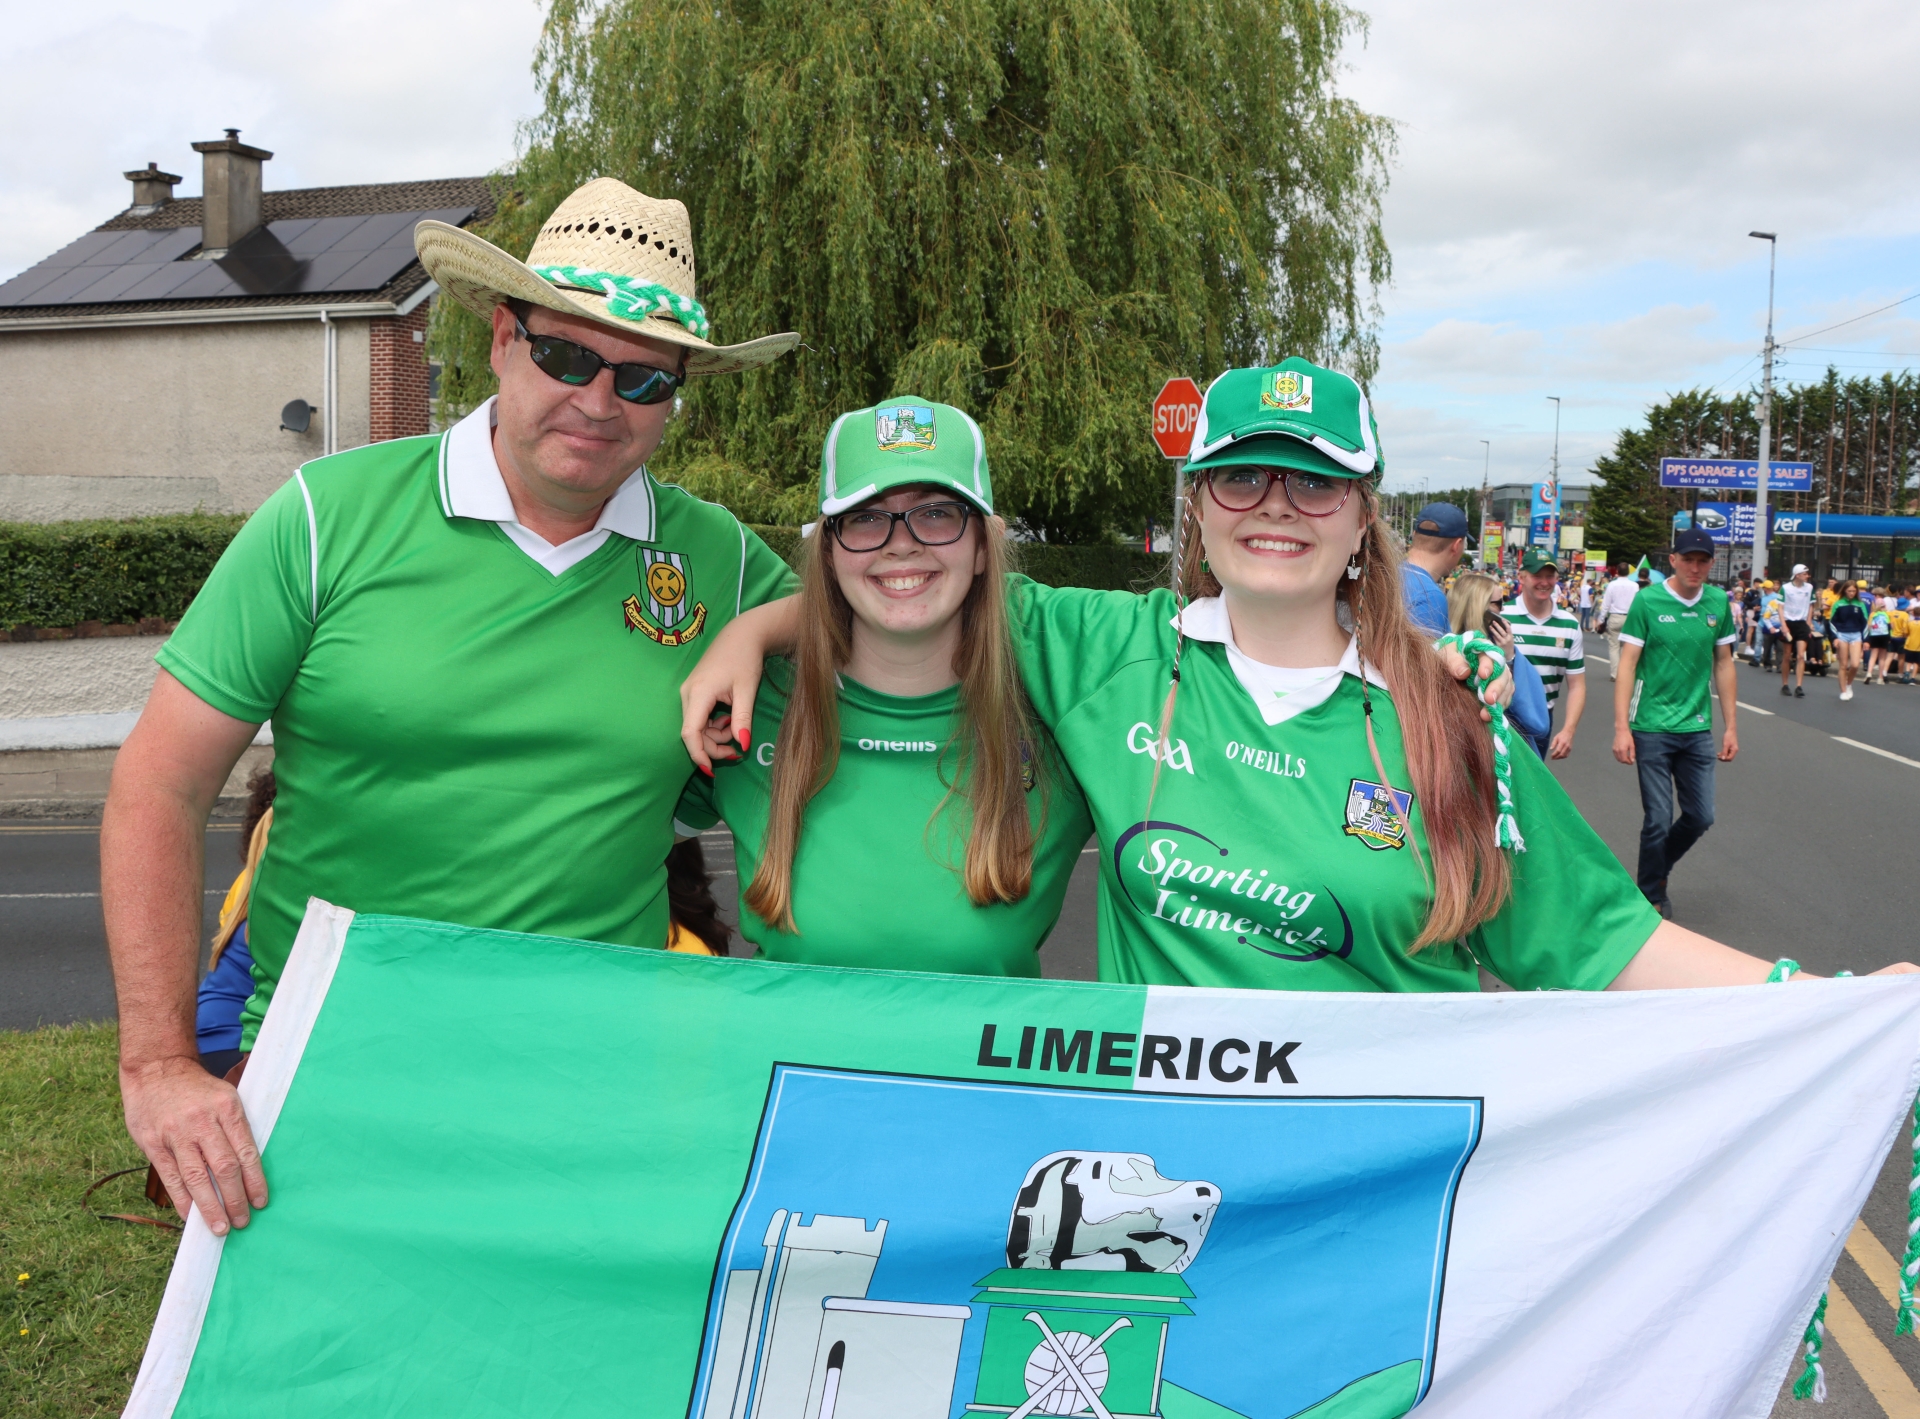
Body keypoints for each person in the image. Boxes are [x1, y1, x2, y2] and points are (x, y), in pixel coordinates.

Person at [688, 359, 1911, 997]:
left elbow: (1600, 944)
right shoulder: (1110, 653)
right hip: (1168, 1189)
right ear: (1198, 505)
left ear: (1363, 512)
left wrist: (1828, 1003)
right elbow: (911, 584)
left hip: (1379, 1190)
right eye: (1242, 476)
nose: (1275, 507)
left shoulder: (1445, 714)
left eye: (1315, 481)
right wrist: (752, 633)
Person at [100, 177, 803, 1236]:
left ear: (676, 392)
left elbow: (894, 620)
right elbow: (161, 783)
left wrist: (766, 626)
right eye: (566, 356)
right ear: (501, 340)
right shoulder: (327, 518)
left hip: (594, 1092)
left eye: (643, 377)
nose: (599, 402)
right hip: (327, 1077)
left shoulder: (720, 561)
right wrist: (158, 1065)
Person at [683, 398, 1093, 974]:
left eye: (937, 513)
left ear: (983, 547)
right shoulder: (751, 704)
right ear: (829, 550)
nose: (901, 542)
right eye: (866, 518)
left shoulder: (1059, 717)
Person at [1612, 528, 1737, 919]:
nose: (1695, 568)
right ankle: (1650, 894)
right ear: (1673, 560)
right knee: (1658, 820)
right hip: (1651, 726)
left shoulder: (1718, 601)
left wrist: (1731, 726)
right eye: (1688, 559)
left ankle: (1655, 869)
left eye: (1703, 561)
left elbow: (1724, 663)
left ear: (1712, 563)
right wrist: (1621, 727)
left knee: (1701, 816)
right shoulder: (1647, 601)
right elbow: (1627, 664)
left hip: (1697, 728)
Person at [1446, 572, 1551, 757]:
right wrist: (1509, 659)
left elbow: (1539, 724)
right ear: (1478, 608)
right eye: (1498, 603)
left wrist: (1510, 656)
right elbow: (1538, 722)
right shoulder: (1450, 654)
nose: (1502, 610)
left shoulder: (1441, 647)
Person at [1505, 549, 1587, 759]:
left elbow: (1577, 685)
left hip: (1541, 718)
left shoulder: (1569, 625)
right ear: (1522, 577)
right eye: (1537, 576)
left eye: (1549, 576)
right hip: (1503, 715)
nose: (1544, 582)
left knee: (1534, 779)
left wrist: (1568, 730)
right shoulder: (1503, 616)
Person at [1401, 502, 1468, 637]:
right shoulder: (1429, 597)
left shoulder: (1389, 573)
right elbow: (1422, 652)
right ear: (1456, 546)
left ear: (1414, 534)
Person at [1598, 561, 1640, 680]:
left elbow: (1606, 604)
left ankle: (1614, 674)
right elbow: (1637, 604)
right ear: (1628, 572)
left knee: (1614, 646)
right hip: (1629, 618)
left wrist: (1601, 619)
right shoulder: (1635, 586)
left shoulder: (1612, 585)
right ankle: (1624, 673)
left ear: (1617, 571)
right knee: (1625, 647)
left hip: (1615, 617)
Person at [1779, 564, 1814, 698]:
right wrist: (1783, 625)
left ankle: (1799, 686)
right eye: (1805, 574)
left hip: (1802, 623)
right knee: (1787, 655)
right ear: (1797, 575)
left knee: (1800, 656)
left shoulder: (1809, 587)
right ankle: (1785, 684)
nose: (1807, 576)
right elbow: (1780, 607)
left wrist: (1808, 622)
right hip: (1788, 622)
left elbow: (1811, 605)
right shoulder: (1785, 588)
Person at [1830, 581, 1869, 699]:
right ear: (1844, 591)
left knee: (1855, 664)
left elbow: (1865, 623)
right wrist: (1834, 637)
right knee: (1843, 665)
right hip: (1842, 634)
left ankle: (1849, 684)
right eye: (1849, 591)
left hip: (1856, 635)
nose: (1851, 593)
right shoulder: (1838, 604)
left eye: (1854, 591)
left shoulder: (1860, 604)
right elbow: (1832, 622)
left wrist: (1866, 640)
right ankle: (1843, 691)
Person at [1867, 591, 1895, 685]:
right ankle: (1880, 678)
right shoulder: (1888, 614)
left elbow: (1869, 626)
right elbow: (1892, 626)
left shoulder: (1872, 614)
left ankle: (1869, 673)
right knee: (1882, 657)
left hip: (1874, 635)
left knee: (1873, 656)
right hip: (1884, 635)